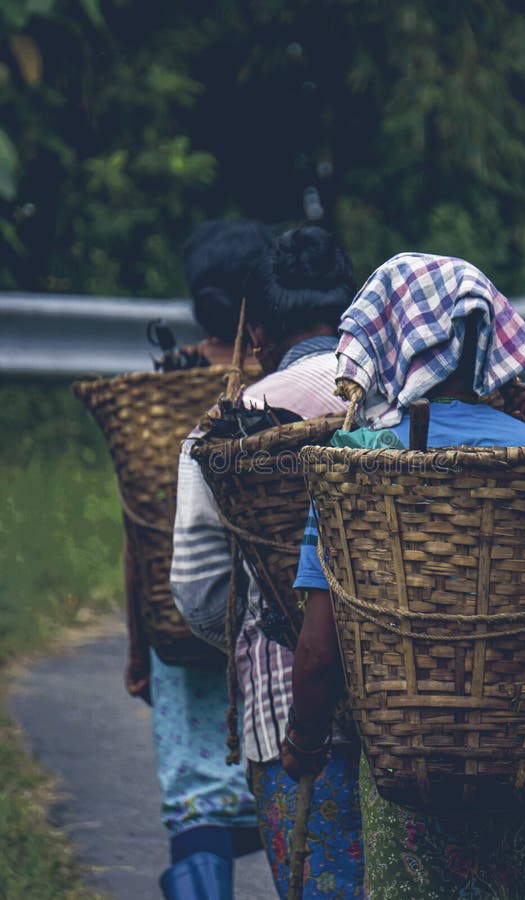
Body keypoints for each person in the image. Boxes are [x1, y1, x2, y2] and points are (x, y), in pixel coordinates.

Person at [285, 253, 525, 899]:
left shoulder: (355, 471)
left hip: (415, 771)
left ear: (389, 344)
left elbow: (320, 653)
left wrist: (304, 742)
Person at [170, 225, 366, 898]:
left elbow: (198, 595)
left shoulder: (223, 430)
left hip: (284, 718)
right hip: (410, 712)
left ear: (256, 338)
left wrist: (254, 626)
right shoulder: (403, 406)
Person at [125, 218, 273, 900]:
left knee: (196, 802)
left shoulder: (158, 395)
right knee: (281, 792)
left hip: (180, 616)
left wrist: (137, 646)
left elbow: (141, 529)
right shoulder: (286, 388)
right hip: (271, 622)